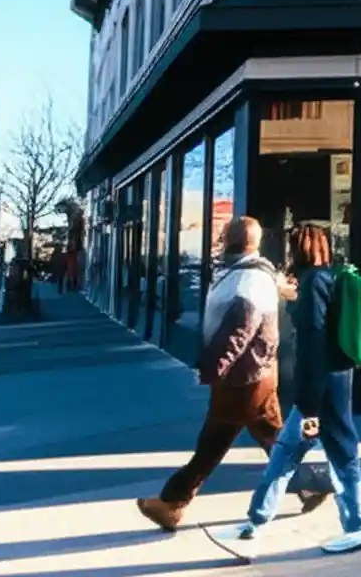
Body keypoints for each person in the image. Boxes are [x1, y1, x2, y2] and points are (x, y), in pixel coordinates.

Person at [136, 217, 331, 531]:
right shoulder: (245, 272)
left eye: (223, 234)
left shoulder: (248, 280)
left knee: (213, 442)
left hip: (243, 377)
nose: (218, 239)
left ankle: (172, 502)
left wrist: (214, 367)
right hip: (253, 373)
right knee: (270, 436)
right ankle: (311, 484)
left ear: (232, 240)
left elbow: (240, 330)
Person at [231, 224, 361, 554]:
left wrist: (309, 403)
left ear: (299, 248)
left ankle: (357, 525)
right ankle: (257, 519)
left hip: (321, 388)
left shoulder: (314, 284)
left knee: (339, 451)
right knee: (286, 451)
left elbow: (313, 342)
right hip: (333, 379)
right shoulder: (328, 278)